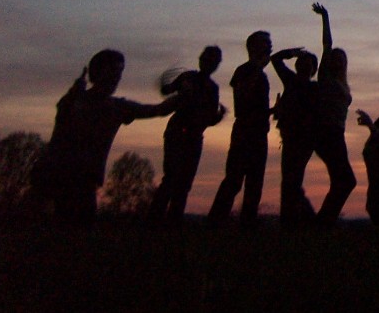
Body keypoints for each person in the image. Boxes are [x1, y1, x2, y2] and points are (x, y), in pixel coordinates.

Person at [33, 49, 178, 225]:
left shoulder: (115, 107)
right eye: (114, 71)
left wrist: (182, 97)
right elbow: (62, 121)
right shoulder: (77, 101)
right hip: (57, 178)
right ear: (98, 71)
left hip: (83, 182)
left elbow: (158, 110)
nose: (117, 77)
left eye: (120, 72)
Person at [148, 45, 227, 226]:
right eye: (208, 59)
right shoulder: (189, 78)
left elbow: (208, 118)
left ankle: (170, 221)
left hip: (193, 135)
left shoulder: (210, 87)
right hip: (179, 132)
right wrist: (171, 86)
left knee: (183, 182)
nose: (210, 63)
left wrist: (218, 116)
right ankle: (156, 220)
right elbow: (167, 91)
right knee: (173, 178)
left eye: (213, 61)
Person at [207, 31, 273, 227]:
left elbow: (255, 106)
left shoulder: (259, 72)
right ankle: (215, 222)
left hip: (259, 133)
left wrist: (273, 111)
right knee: (234, 180)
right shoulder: (244, 70)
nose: (270, 47)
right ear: (254, 46)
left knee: (255, 183)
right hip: (245, 131)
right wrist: (258, 68)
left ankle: (247, 223)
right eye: (267, 43)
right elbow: (242, 98)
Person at [311, 3, 357, 224]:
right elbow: (327, 45)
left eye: (342, 58)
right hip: (326, 133)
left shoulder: (342, 83)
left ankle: (323, 221)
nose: (338, 60)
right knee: (346, 180)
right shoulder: (326, 79)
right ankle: (323, 221)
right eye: (335, 58)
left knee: (343, 180)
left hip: (337, 134)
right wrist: (325, 17)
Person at [271, 45, 319, 227]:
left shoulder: (315, 88)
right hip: (290, 137)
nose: (304, 65)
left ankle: (295, 220)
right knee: (291, 180)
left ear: (314, 69)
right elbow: (275, 59)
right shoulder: (290, 80)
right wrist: (292, 53)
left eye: (309, 63)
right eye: (302, 62)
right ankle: (296, 220)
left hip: (304, 139)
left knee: (292, 180)